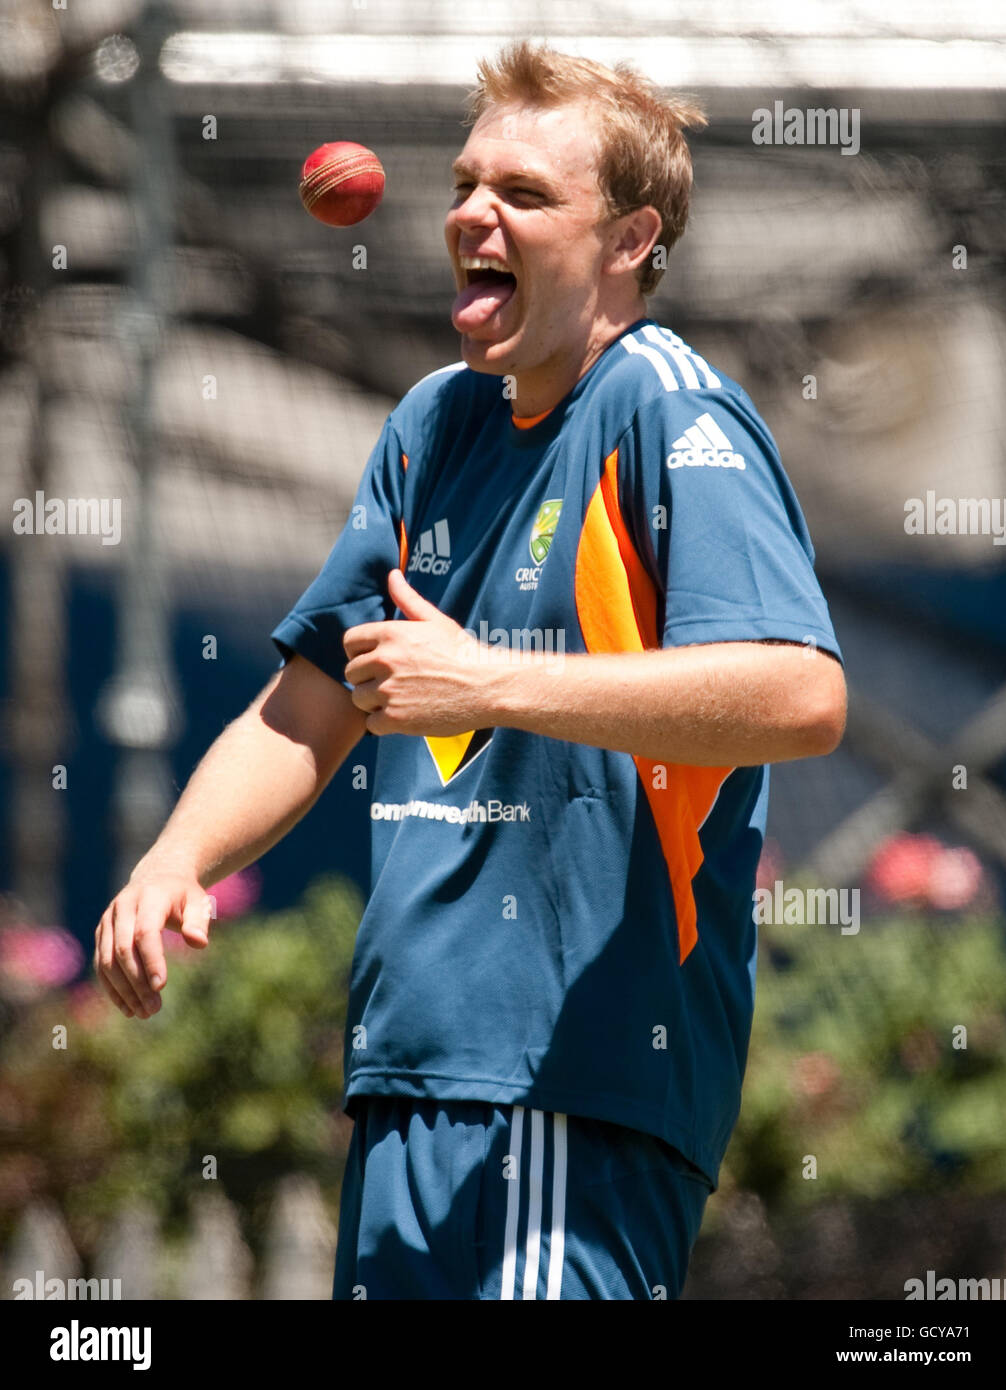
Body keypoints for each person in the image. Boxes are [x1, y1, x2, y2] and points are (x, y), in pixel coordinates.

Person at [95, 41, 846, 1300]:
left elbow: (798, 693)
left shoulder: (666, 408)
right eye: (463, 183)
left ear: (628, 239)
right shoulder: (431, 424)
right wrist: (175, 862)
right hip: (406, 1085)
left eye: (525, 194)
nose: (469, 216)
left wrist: (490, 681)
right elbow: (303, 712)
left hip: (569, 1086)